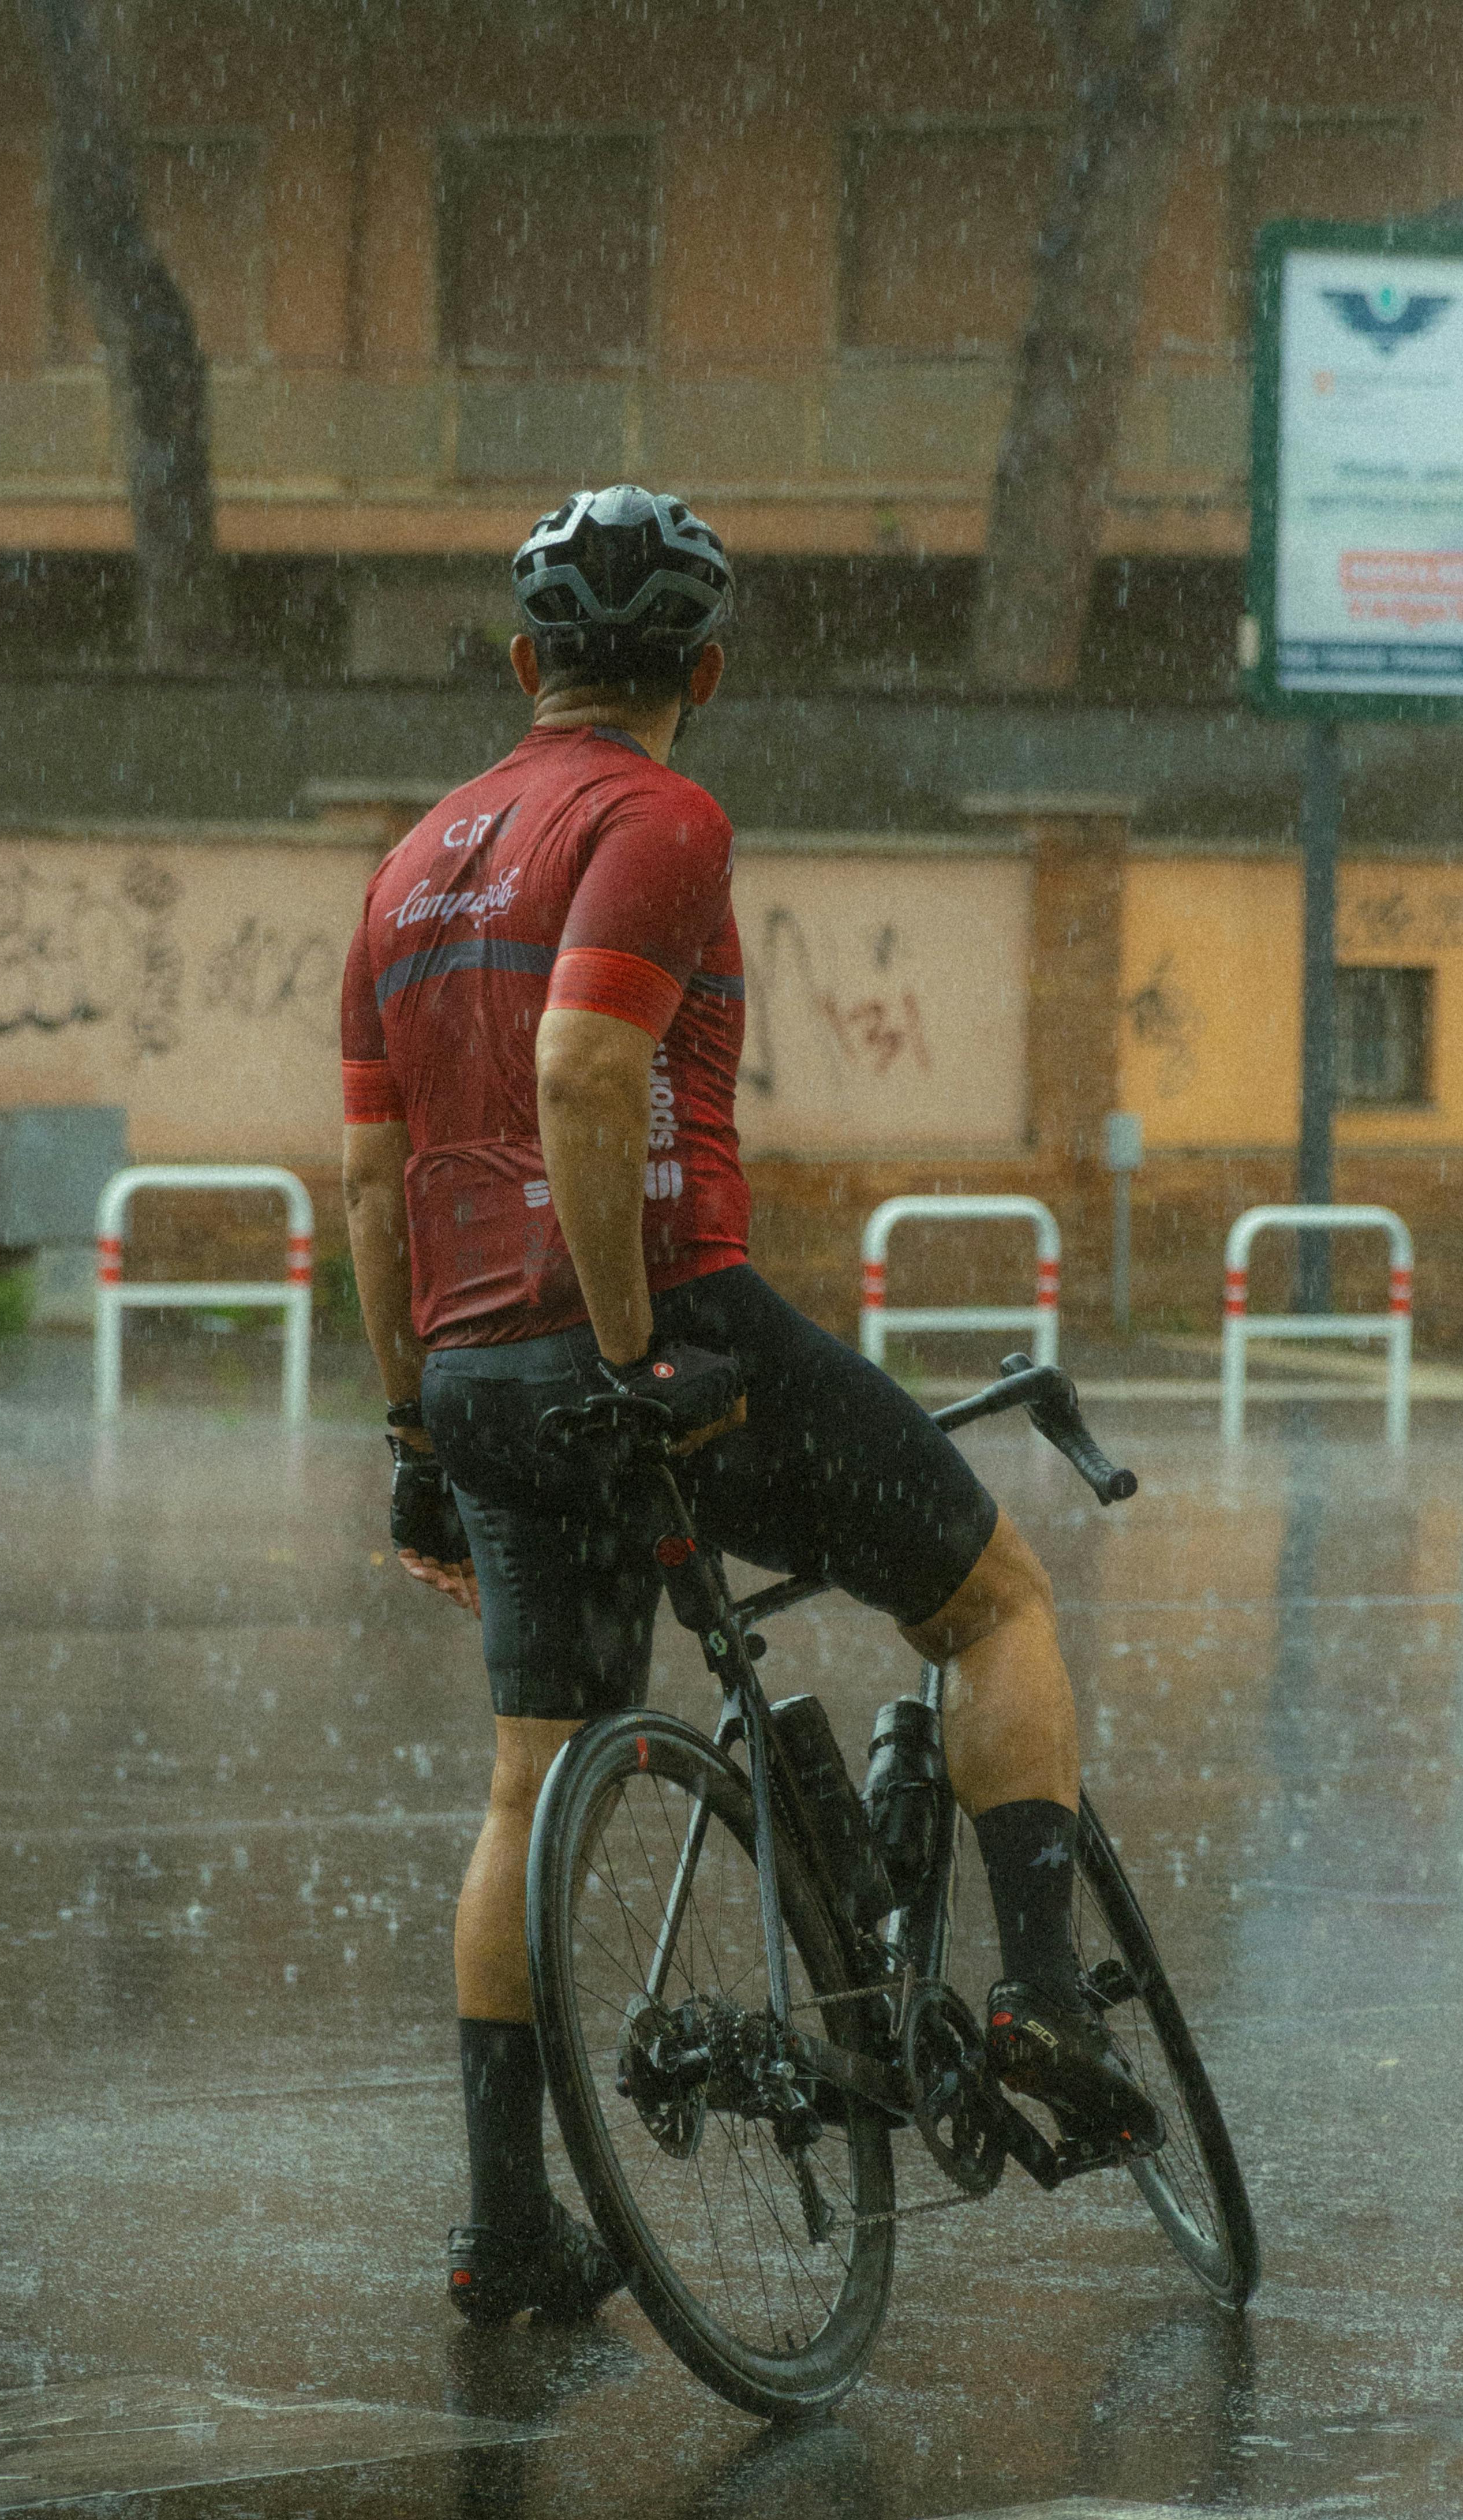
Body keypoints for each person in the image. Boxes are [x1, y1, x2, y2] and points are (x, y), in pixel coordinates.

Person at [338, 483, 1159, 2327]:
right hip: (662, 1328)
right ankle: (1030, 1979)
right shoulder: (658, 815)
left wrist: (413, 1429)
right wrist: (630, 1339)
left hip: (472, 1372)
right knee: (989, 1600)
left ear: (526, 661)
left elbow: (367, 1185)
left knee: (529, 1776)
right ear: (698, 673)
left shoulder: (406, 864)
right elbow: (579, 1057)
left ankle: (507, 2227)